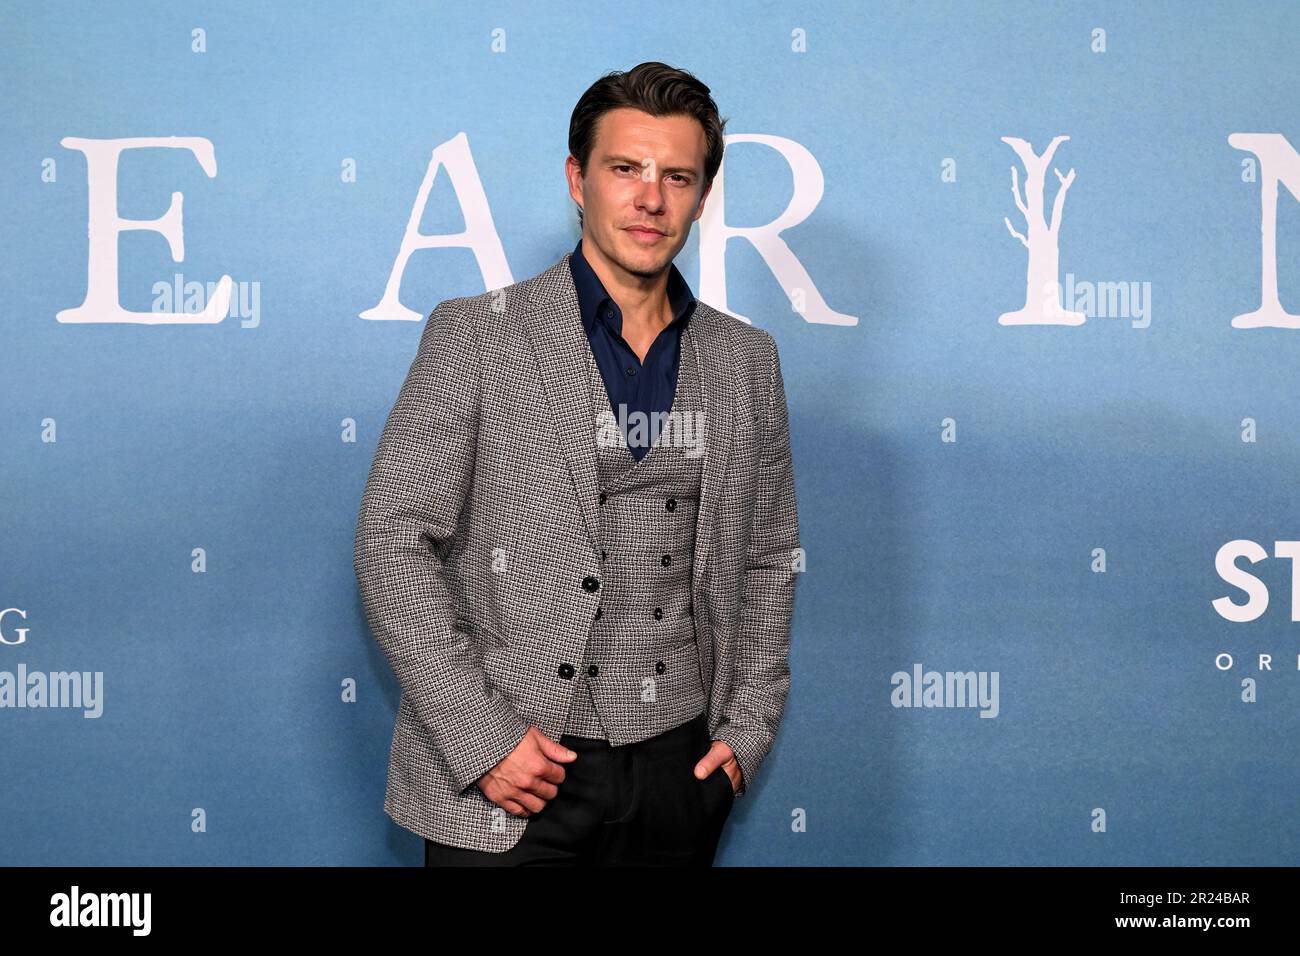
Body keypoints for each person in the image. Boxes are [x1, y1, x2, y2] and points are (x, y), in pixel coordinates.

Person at [353, 61, 800, 866]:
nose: (650, 198)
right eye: (625, 168)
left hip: (680, 774)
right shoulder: (477, 335)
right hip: (512, 775)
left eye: (678, 176)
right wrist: (480, 736)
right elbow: (391, 540)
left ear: (701, 197)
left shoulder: (746, 361)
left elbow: (769, 556)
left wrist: (747, 729)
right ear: (577, 179)